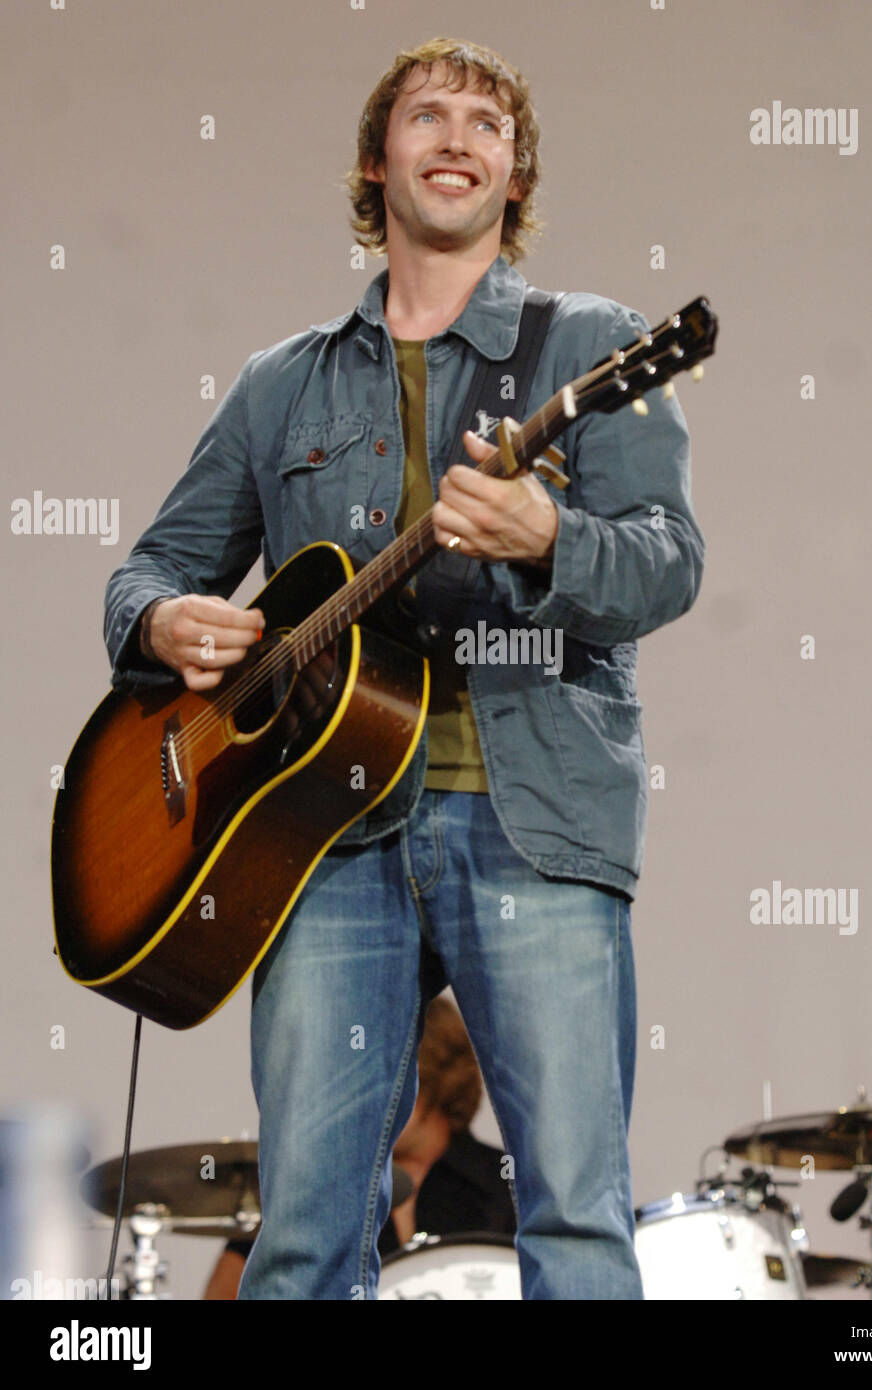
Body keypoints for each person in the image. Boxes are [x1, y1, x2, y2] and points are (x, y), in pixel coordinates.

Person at [103, 36, 705, 1300]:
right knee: (305, 1237)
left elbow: (667, 564)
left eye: (488, 124)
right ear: (377, 163)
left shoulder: (593, 344)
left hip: (532, 817)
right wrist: (162, 626)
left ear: (512, 173)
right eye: (427, 115)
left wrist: (550, 537)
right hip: (323, 835)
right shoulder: (283, 384)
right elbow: (149, 571)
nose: (457, 136)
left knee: (578, 1224)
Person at [203, 997, 515, 1299]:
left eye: (382, 1085)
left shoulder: (508, 1183)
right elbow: (228, 1292)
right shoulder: (312, 1182)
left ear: (435, 1081)